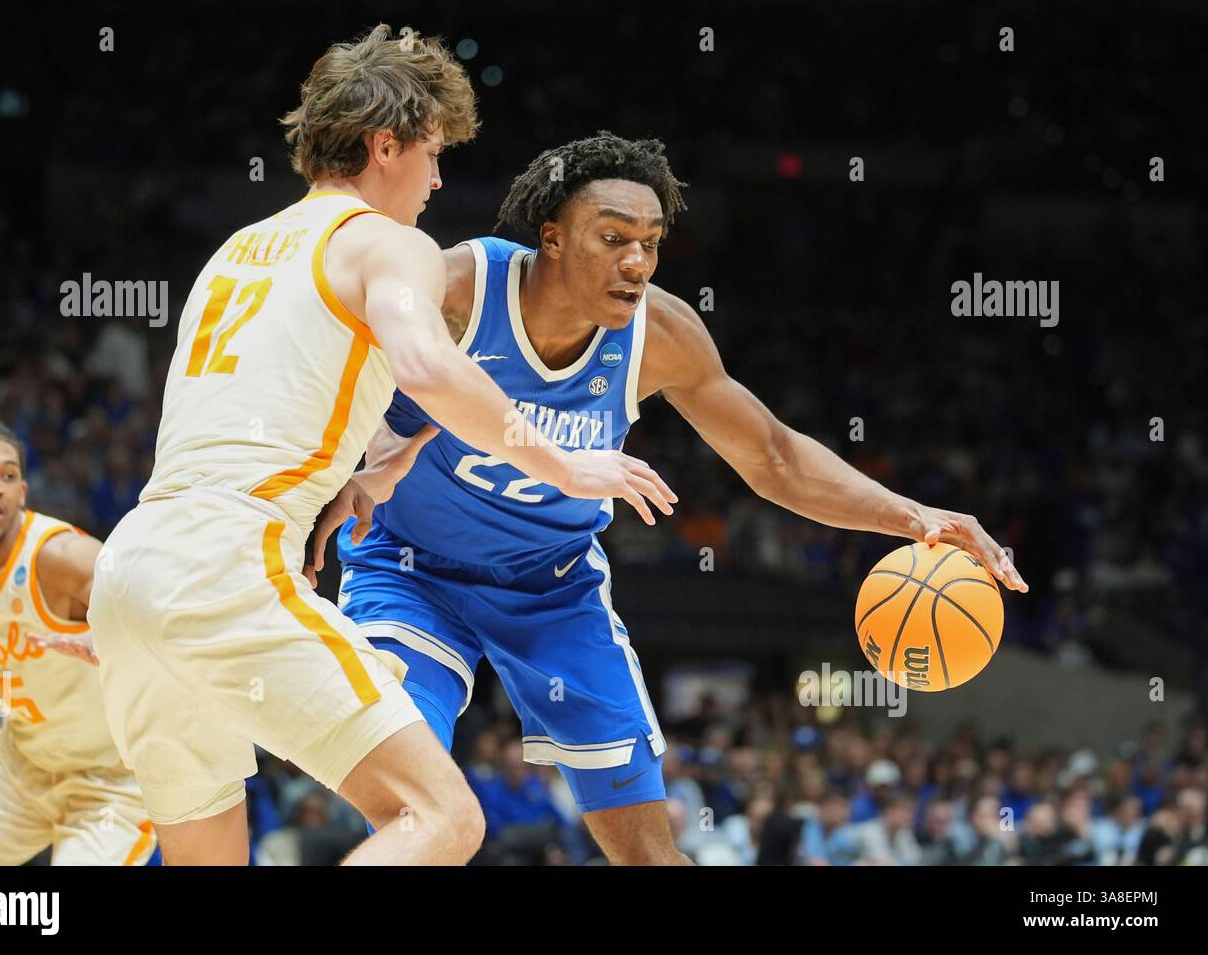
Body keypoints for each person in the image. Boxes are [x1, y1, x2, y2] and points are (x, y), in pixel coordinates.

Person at [326, 131, 1028, 865]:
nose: (636, 262)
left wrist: (912, 516)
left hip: (553, 585)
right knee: (419, 812)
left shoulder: (659, 334)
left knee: (651, 858)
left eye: (652, 243)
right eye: (613, 238)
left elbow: (776, 456)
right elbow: (351, 410)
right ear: (553, 237)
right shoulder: (457, 292)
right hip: (410, 570)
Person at [87, 27, 673, 866]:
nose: (437, 180)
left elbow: (280, 401)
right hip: (227, 566)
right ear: (383, 143)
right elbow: (430, 365)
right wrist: (564, 462)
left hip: (135, 566)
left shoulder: (235, 253)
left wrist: (372, 472)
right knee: (441, 820)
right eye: (431, 154)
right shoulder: (389, 243)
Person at [0, 424, 155, 865]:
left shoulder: (61, 557)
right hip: (19, 766)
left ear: (22, 492)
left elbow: (158, 613)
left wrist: (116, 637)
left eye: (7, 477)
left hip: (114, 782)